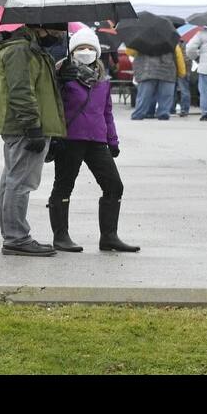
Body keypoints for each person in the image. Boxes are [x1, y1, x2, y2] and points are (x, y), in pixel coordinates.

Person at [48, 29, 139, 253]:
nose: (86, 51)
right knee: (64, 186)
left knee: (114, 186)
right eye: (81, 48)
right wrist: (59, 80)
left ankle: (109, 237)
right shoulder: (62, 74)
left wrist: (113, 141)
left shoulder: (102, 80)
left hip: (97, 140)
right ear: (72, 51)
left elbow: (107, 113)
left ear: (97, 52)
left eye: (90, 48)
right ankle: (61, 236)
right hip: (70, 139)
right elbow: (52, 105)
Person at [0, 23, 67, 257]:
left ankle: (12, 235)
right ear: (40, 28)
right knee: (20, 183)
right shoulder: (21, 50)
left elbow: (35, 84)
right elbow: (21, 90)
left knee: (12, 181)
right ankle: (16, 237)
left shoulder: (29, 48)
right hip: (24, 127)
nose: (58, 37)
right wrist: (33, 127)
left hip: (21, 125)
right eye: (56, 32)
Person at [130, 43, 184, 121]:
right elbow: (179, 57)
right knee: (166, 96)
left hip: (147, 71)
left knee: (144, 95)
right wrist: (181, 72)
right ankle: (163, 113)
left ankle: (139, 114)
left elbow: (130, 52)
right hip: (167, 71)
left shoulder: (142, 41)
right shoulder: (170, 41)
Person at [171, 40, 193, 118]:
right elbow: (190, 54)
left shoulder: (171, 39)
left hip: (174, 65)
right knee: (184, 89)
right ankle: (184, 110)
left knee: (172, 89)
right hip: (185, 66)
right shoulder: (188, 40)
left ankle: (171, 109)